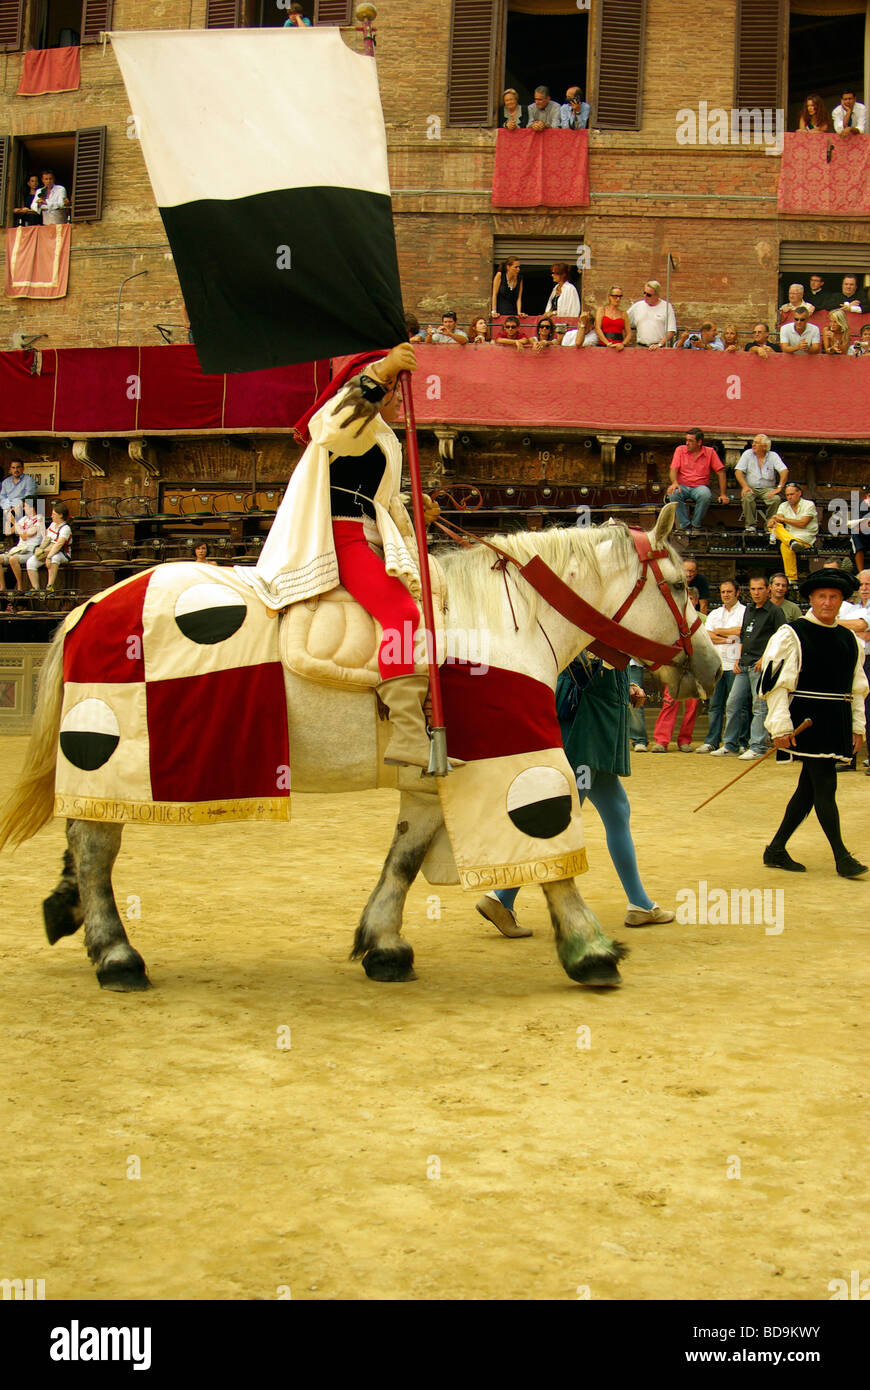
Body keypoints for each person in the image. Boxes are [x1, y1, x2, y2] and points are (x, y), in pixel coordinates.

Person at [241, 343, 439, 773]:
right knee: (403, 614)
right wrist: (381, 372)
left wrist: (412, 509)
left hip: (364, 531)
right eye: (394, 387)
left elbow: (375, 500)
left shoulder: (383, 434)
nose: (399, 396)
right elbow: (335, 429)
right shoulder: (349, 419)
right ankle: (408, 735)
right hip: (342, 535)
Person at [476, 654, 674, 937]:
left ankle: (640, 903)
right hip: (586, 728)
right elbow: (586, 665)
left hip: (591, 727)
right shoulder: (592, 633)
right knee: (559, 821)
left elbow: (598, 666)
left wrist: (625, 685)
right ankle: (501, 897)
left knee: (617, 810)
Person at [760, 571, 868, 878]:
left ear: (842, 601)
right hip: (806, 723)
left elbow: (857, 688)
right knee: (825, 784)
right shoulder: (791, 634)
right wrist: (780, 727)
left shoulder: (849, 639)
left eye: (834, 597)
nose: (828, 603)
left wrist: (857, 726)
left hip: (836, 722)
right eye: (822, 596)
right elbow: (775, 685)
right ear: (811, 599)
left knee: (808, 788)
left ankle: (776, 849)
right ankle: (842, 856)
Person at [712, 573, 787, 759]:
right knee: (732, 703)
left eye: (760, 588)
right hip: (744, 664)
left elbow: (781, 639)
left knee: (759, 706)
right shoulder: (749, 609)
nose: (756, 592)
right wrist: (738, 659)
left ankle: (757, 747)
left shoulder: (775, 612)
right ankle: (730, 745)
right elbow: (744, 636)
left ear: (768, 590)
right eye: (753, 589)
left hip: (760, 666)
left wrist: (765, 658)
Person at [696, 578, 747, 752]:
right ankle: (712, 741)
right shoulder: (715, 613)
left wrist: (719, 632)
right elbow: (707, 635)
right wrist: (729, 638)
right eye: (723, 592)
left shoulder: (745, 612)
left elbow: (742, 631)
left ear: (737, 592)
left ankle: (740, 742)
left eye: (729, 591)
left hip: (736, 665)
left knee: (739, 706)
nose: (725, 595)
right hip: (717, 665)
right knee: (715, 705)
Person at [666, 429, 728, 533]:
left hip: (700, 486)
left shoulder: (710, 452)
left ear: (699, 442)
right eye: (686, 440)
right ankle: (685, 525)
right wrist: (674, 483)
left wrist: (723, 494)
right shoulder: (680, 450)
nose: (687, 443)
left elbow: (721, 472)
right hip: (682, 485)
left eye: (690, 441)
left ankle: (696, 525)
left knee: (705, 495)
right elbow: (673, 469)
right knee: (673, 493)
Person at [766, 481, 819, 585]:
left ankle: (791, 578)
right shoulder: (783, 505)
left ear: (799, 493)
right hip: (789, 536)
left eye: (792, 494)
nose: (789, 497)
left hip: (805, 537)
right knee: (774, 527)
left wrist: (783, 519)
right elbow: (776, 519)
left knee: (784, 545)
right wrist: (772, 521)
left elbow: (802, 523)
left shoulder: (809, 504)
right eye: (787, 495)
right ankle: (792, 542)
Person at [735, 433, 788, 532]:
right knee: (747, 497)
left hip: (768, 489)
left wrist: (780, 487)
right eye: (753, 442)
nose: (753, 445)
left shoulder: (773, 456)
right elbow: (738, 471)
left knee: (775, 499)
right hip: (751, 487)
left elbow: (784, 471)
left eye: (756, 443)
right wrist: (745, 486)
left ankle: (769, 526)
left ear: (764, 446)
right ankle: (750, 526)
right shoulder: (748, 454)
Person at [0, 496, 44, 608]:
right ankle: (2, 587)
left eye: (26, 506)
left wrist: (14, 521)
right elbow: (8, 532)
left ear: (33, 507)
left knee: (13, 559)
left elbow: (26, 536)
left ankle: (20, 587)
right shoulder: (24, 519)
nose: (24, 508)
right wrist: (8, 517)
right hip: (19, 549)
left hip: (30, 550)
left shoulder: (39, 519)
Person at [19, 501, 71, 592]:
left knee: (54, 558)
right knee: (31, 561)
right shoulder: (53, 525)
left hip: (61, 553)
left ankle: (49, 587)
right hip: (47, 551)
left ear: (60, 515)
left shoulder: (65, 528)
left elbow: (59, 544)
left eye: (54, 514)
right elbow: (45, 538)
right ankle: (35, 588)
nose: (51, 516)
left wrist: (48, 557)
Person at [627, 280, 676, 349]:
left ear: (657, 295)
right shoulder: (637, 306)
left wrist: (659, 344)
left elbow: (671, 330)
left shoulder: (667, 307)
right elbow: (624, 320)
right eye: (644, 293)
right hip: (640, 347)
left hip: (658, 348)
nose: (645, 296)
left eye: (648, 295)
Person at [1, 459, 38, 535]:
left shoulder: (28, 480)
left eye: (18, 467)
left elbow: (29, 496)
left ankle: (13, 532)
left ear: (22, 468)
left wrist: (17, 506)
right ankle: (12, 532)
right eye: (13, 468)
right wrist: (7, 507)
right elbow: (2, 497)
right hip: (8, 507)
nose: (16, 470)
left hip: (22, 507)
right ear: (10, 469)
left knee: (16, 511)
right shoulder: (6, 482)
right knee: (6, 512)